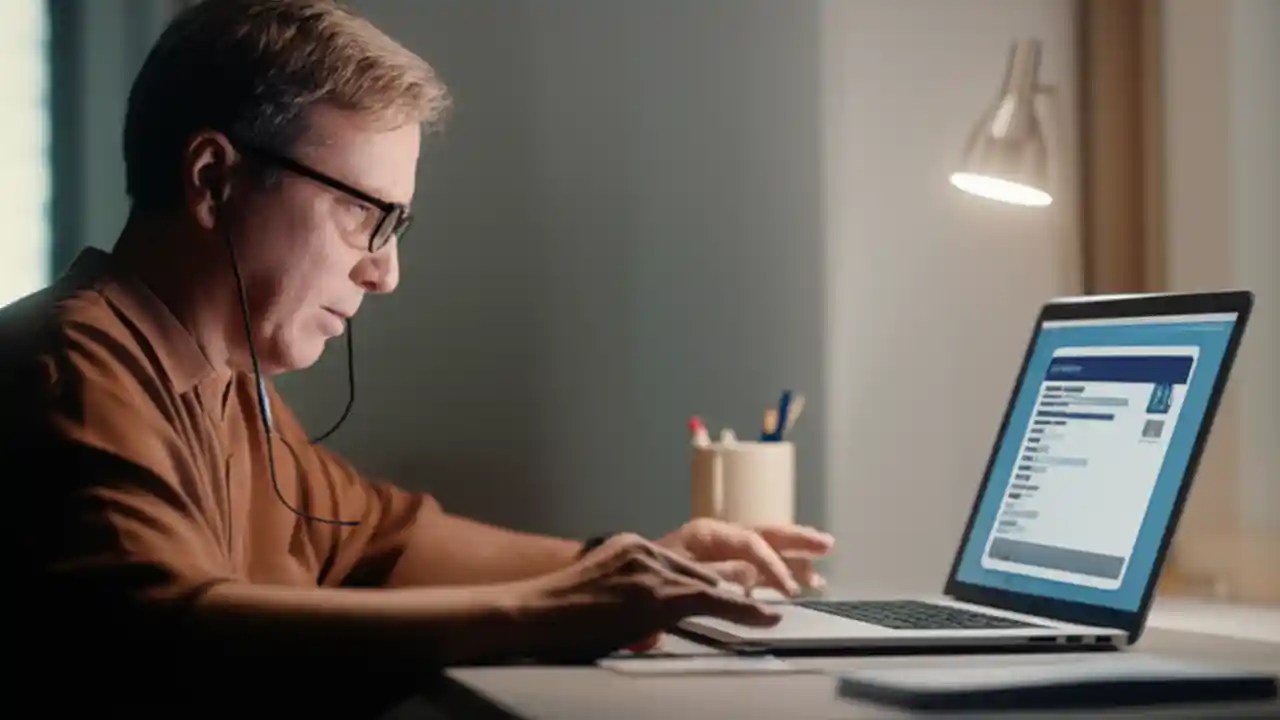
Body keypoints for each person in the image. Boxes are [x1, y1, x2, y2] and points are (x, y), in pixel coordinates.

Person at [0, 0, 833, 714]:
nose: (384, 272)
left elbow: (381, 537)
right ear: (214, 179)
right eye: (365, 214)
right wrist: (544, 610)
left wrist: (635, 565)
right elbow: (178, 631)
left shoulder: (220, 379)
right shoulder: (73, 368)